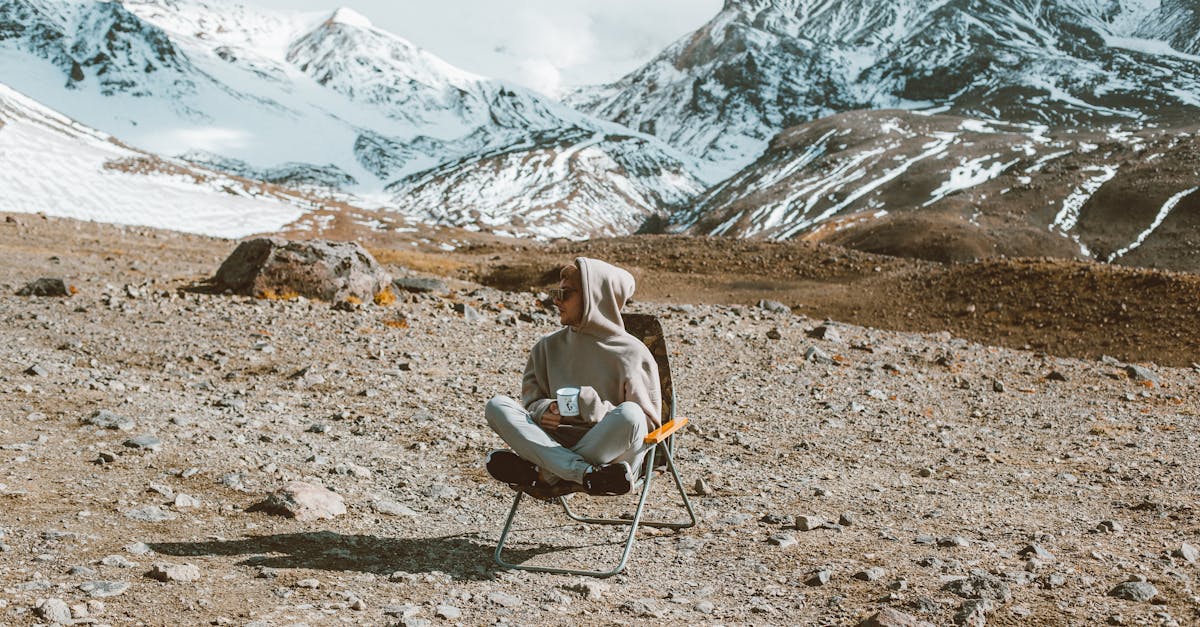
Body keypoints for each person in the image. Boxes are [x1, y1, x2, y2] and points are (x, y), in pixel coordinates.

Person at [483, 257, 661, 498]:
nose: (556, 300)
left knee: (631, 414)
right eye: (556, 292)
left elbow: (646, 425)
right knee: (497, 405)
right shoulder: (547, 347)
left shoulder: (633, 352)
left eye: (565, 294)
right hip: (557, 445)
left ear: (595, 296)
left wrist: (593, 408)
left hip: (609, 453)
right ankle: (585, 474)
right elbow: (532, 402)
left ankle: (544, 474)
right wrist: (543, 410)